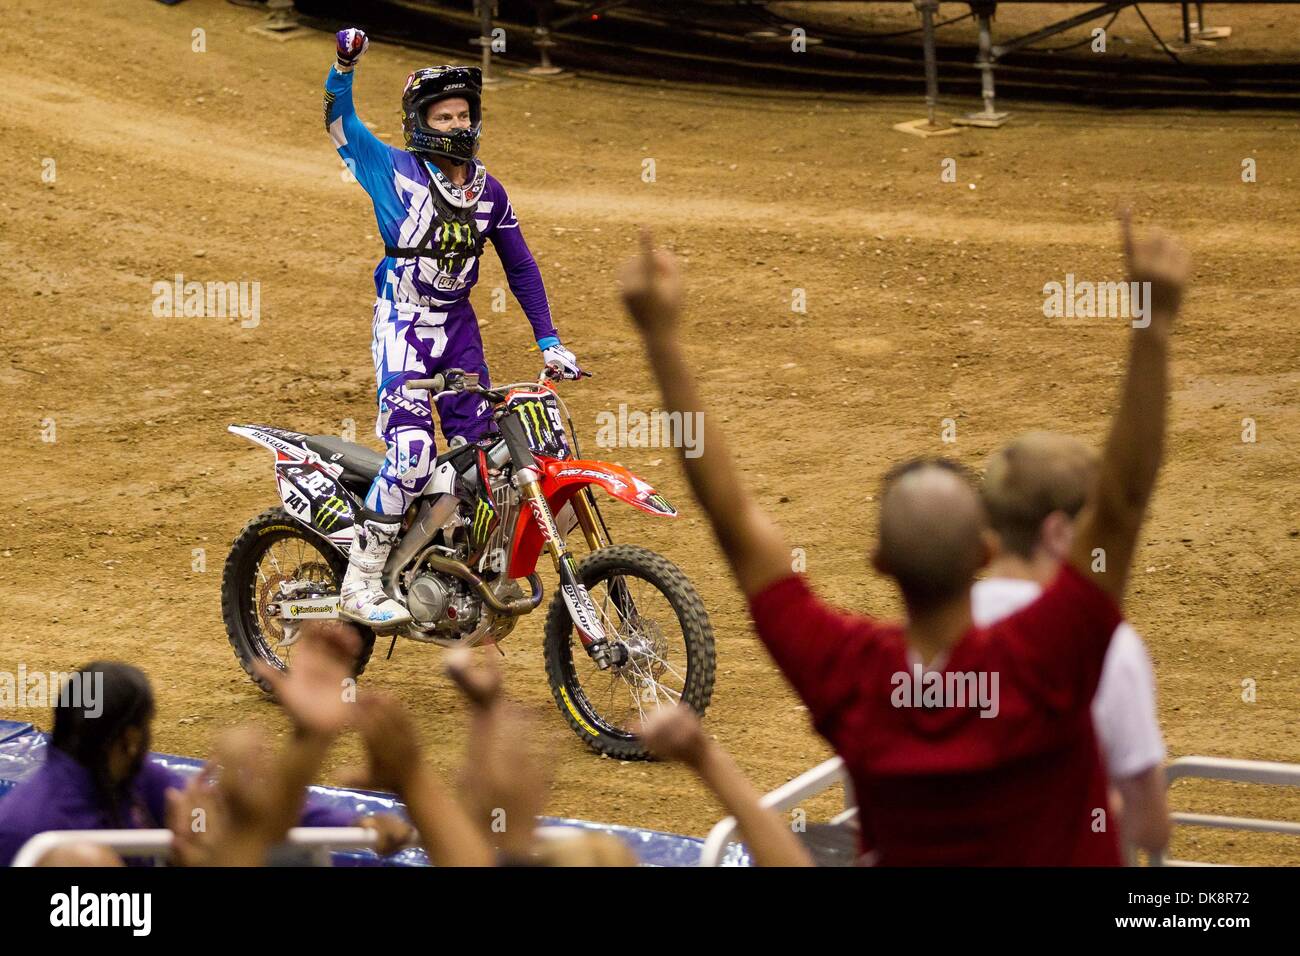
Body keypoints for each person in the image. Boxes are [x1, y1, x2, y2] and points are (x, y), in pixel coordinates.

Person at [619, 212, 1189, 864]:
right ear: (985, 551)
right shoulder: (1046, 658)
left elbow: (734, 519)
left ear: (880, 563)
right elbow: (1121, 503)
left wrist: (660, 338)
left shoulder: (851, 675)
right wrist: (1153, 328)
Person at [325, 28, 583, 627]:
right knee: (413, 453)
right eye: (443, 116)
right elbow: (340, 123)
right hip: (404, 325)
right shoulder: (390, 169)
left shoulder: (487, 190)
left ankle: (457, 563)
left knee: (485, 457)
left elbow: (520, 264)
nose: (457, 125)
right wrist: (344, 67)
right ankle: (363, 577)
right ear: (419, 121)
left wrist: (549, 339)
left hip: (460, 331)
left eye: (464, 113)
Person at [0, 625, 411, 866]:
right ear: (128, 738)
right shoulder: (35, 829)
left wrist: (353, 826)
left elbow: (239, 808)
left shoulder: (125, 778)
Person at [974, 431, 1170, 857]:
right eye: (1094, 525)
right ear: (1058, 532)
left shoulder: (934, 625)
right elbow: (1152, 829)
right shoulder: (1108, 645)